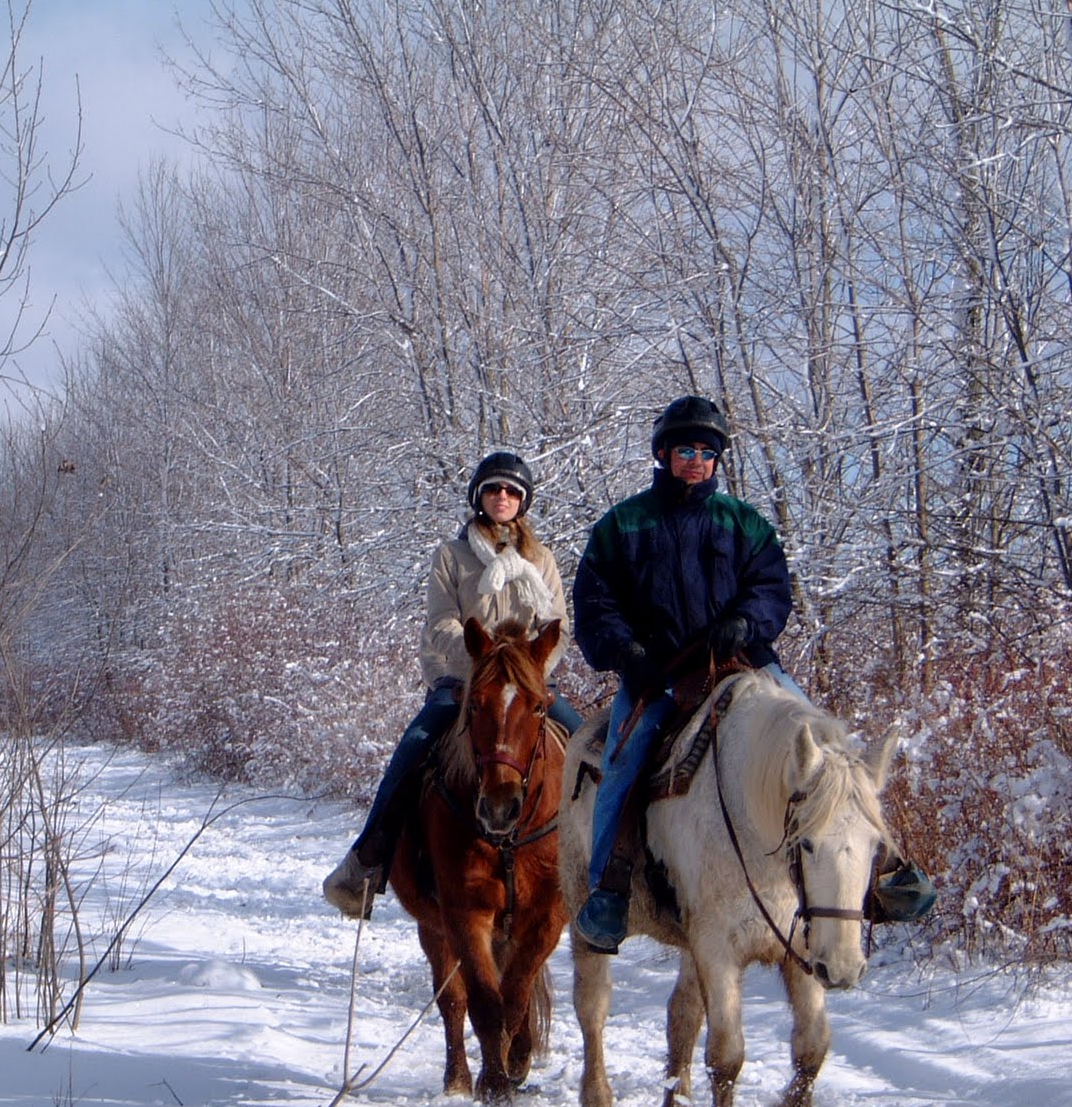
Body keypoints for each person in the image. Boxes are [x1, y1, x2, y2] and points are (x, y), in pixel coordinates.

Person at [570, 395, 801, 952]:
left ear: (717, 461)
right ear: (662, 454)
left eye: (706, 451)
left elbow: (771, 588)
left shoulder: (743, 523)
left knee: (814, 732)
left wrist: (747, 622)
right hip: (659, 674)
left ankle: (882, 868)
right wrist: (627, 653)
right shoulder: (622, 526)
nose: (695, 460)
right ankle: (610, 889)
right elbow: (595, 601)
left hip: (741, 664)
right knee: (623, 759)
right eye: (684, 450)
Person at [322, 451, 584, 920]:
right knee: (415, 744)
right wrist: (486, 660)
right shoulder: (453, 557)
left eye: (511, 491)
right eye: (493, 489)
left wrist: (526, 665)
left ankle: (602, 869)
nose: (502, 497)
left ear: (522, 502)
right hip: (464, 680)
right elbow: (442, 622)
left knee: (589, 746)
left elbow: (557, 627)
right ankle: (368, 858)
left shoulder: (540, 559)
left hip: (525, 684)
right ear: (479, 497)